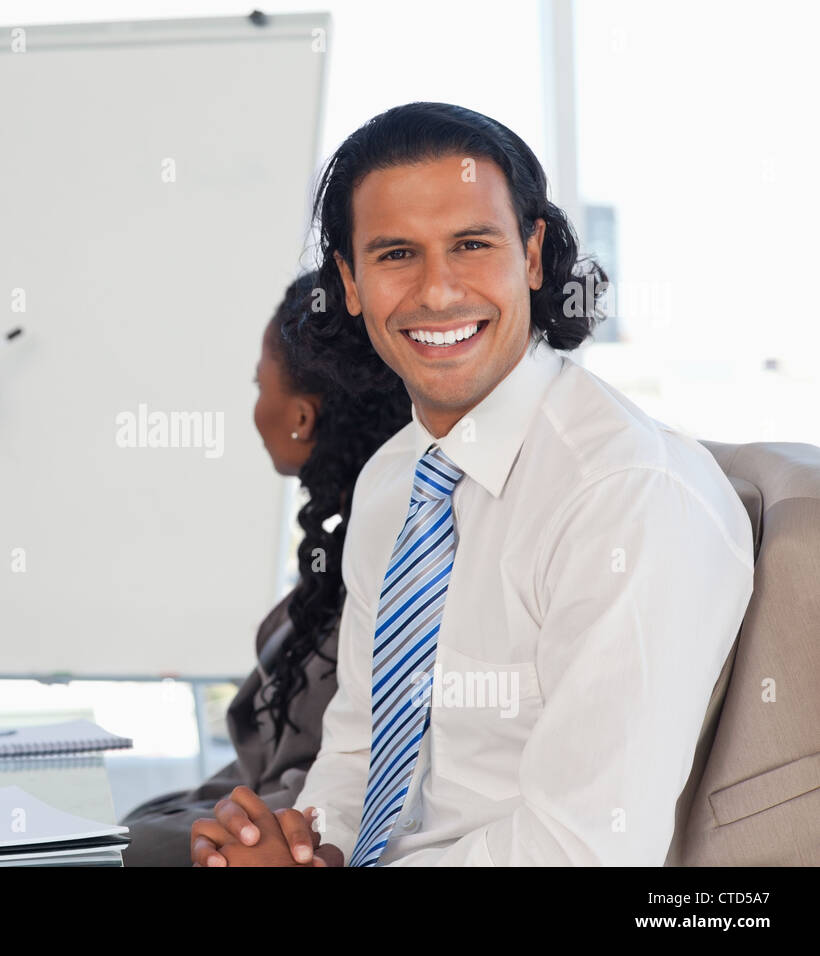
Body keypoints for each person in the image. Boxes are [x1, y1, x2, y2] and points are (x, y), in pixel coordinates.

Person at [190, 101, 755, 866]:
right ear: (351, 284)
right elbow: (356, 750)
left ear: (531, 253)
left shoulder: (624, 497)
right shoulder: (395, 480)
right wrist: (298, 845)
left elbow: (585, 849)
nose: (437, 292)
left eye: (471, 244)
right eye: (395, 255)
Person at [120, 271, 411, 866]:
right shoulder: (357, 546)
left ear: (303, 416)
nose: (255, 405)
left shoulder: (391, 566)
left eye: (260, 384)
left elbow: (326, 783)